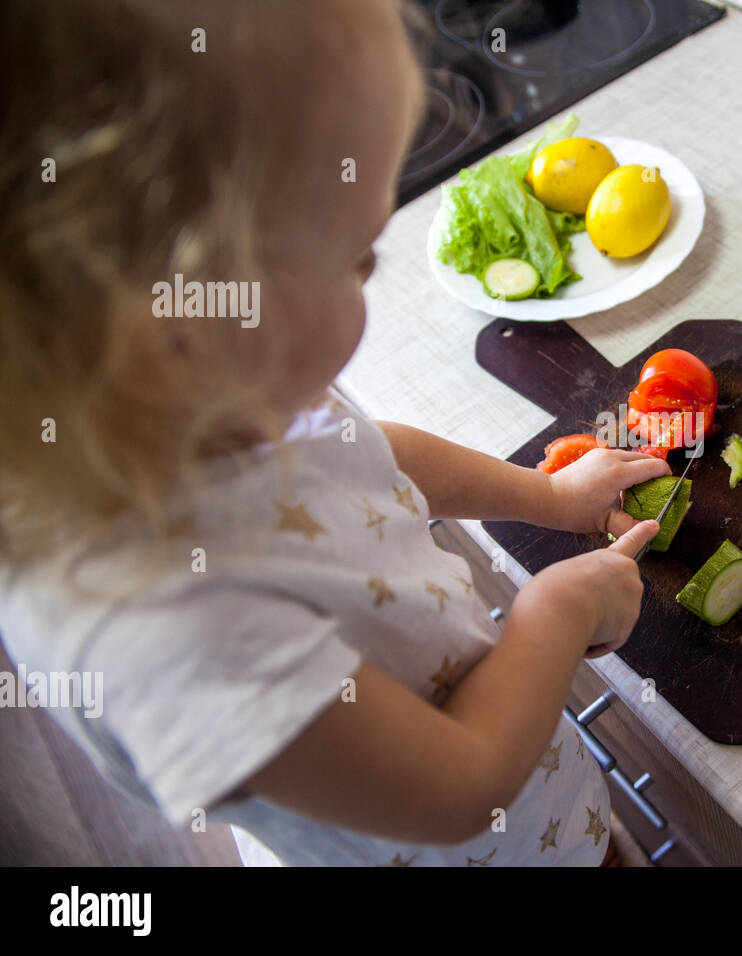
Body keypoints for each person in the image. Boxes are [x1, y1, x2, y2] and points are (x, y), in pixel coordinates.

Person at [0, 0, 667, 866]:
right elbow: (460, 785)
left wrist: (548, 496)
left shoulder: (230, 392)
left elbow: (368, 458)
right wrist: (560, 606)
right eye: (359, 258)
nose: (373, 275)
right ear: (173, 321)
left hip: (549, 820)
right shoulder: (159, 629)